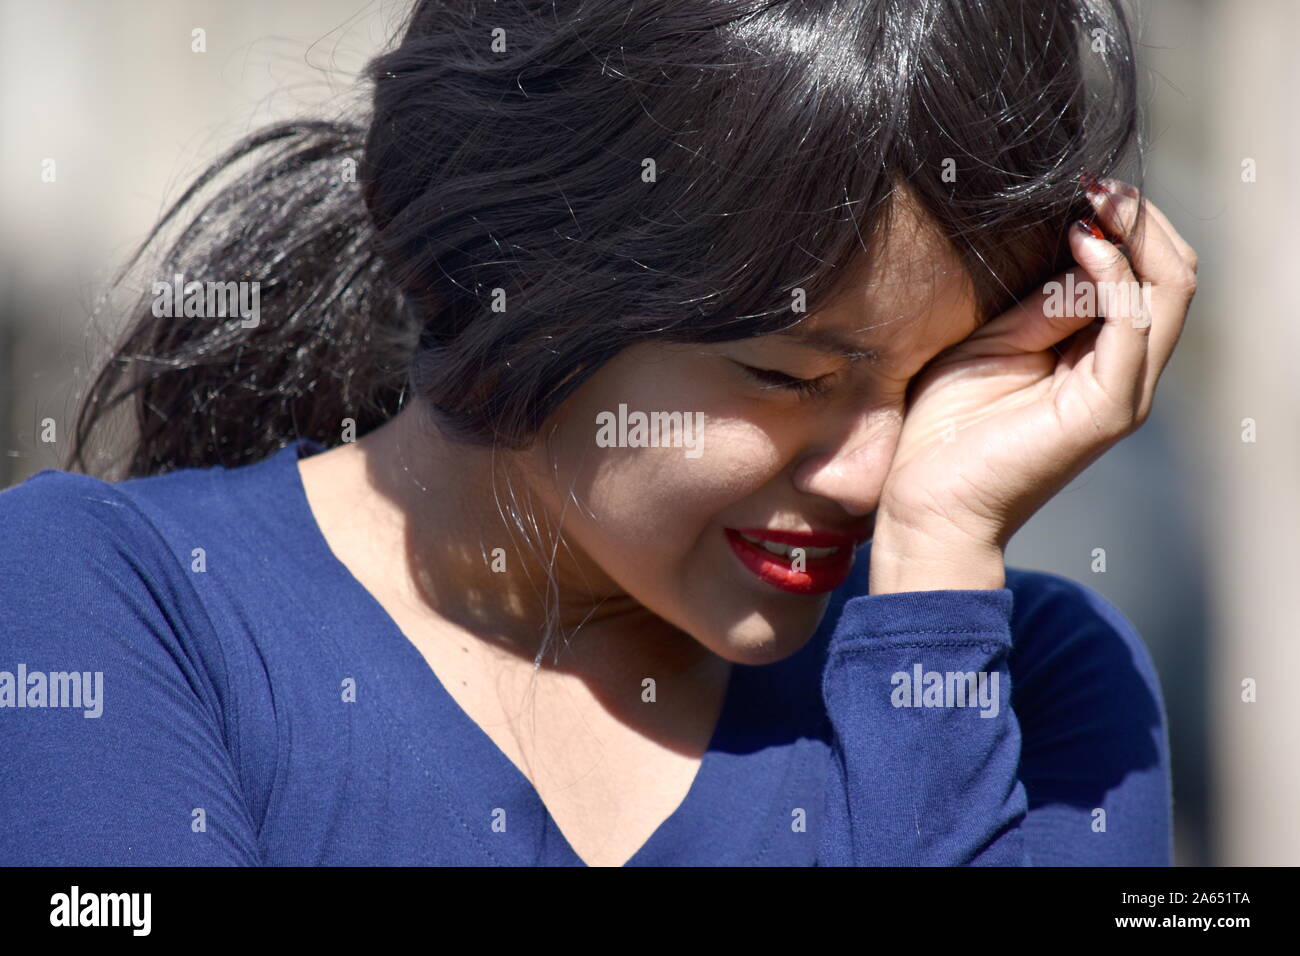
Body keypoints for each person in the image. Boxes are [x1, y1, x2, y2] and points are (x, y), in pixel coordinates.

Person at [0, 0, 1194, 866]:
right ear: (511, 276)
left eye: (944, 374)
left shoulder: (1028, 688)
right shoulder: (116, 604)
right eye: (785, 374)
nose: (876, 470)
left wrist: (936, 579)